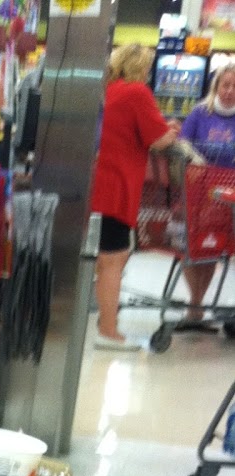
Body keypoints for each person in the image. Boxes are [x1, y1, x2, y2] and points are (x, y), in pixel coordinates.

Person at [89, 43, 180, 351]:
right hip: (117, 186)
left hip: (98, 183)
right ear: (141, 67)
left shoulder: (111, 90)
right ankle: (109, 331)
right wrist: (172, 130)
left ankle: (105, 324)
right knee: (113, 258)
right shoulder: (137, 92)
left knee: (104, 258)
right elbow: (158, 139)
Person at [177, 63, 235, 325]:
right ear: (216, 86)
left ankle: (197, 304)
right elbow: (183, 142)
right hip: (196, 189)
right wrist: (194, 157)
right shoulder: (200, 113)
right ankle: (195, 302)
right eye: (226, 85)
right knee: (190, 246)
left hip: (227, 195)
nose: (230, 91)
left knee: (213, 245)